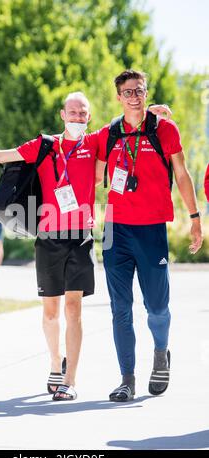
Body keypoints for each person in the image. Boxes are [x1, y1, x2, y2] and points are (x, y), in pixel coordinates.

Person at [0, 91, 169, 401]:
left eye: (83, 113)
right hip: (49, 238)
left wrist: (152, 111)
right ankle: (56, 363)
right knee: (51, 313)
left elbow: (126, 124)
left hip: (81, 238)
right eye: (72, 112)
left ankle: (70, 380)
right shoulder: (44, 146)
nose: (78, 118)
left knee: (74, 309)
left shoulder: (94, 142)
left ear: (89, 117)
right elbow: (1, 155)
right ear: (62, 114)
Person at [96, 70, 203, 402]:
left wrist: (196, 217)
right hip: (115, 231)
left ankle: (160, 353)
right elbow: (88, 171)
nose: (134, 96)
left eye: (139, 91)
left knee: (157, 307)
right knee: (120, 308)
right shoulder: (108, 135)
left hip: (152, 229)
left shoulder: (165, 130)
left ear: (145, 93)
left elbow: (182, 174)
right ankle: (126, 379)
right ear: (118, 97)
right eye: (127, 92)